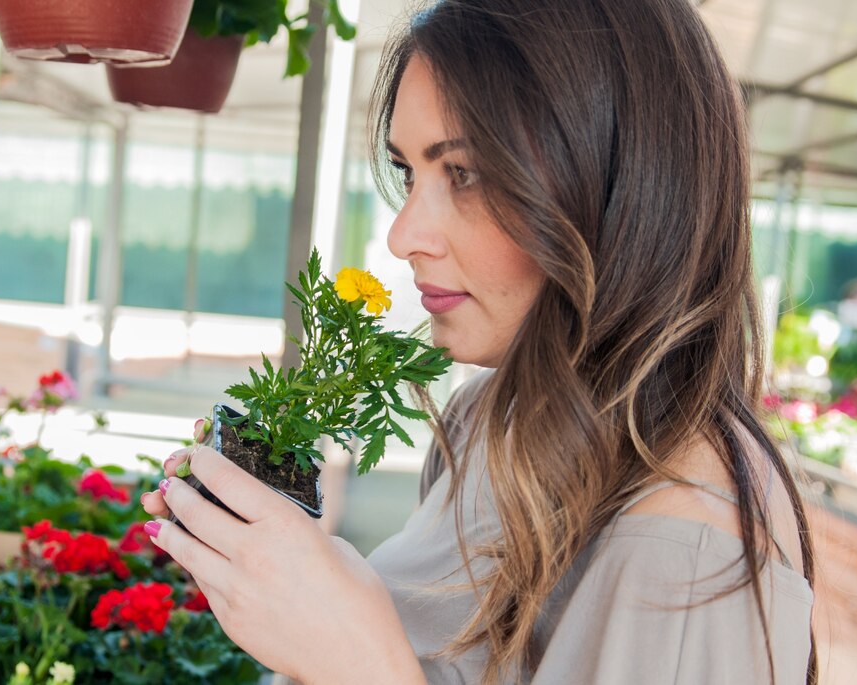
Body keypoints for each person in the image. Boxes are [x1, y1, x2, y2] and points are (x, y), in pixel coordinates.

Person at [140, 0, 817, 683]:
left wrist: (358, 662)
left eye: (463, 173)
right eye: (408, 172)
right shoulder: (484, 420)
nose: (403, 237)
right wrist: (285, 578)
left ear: (622, 185)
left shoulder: (692, 551)